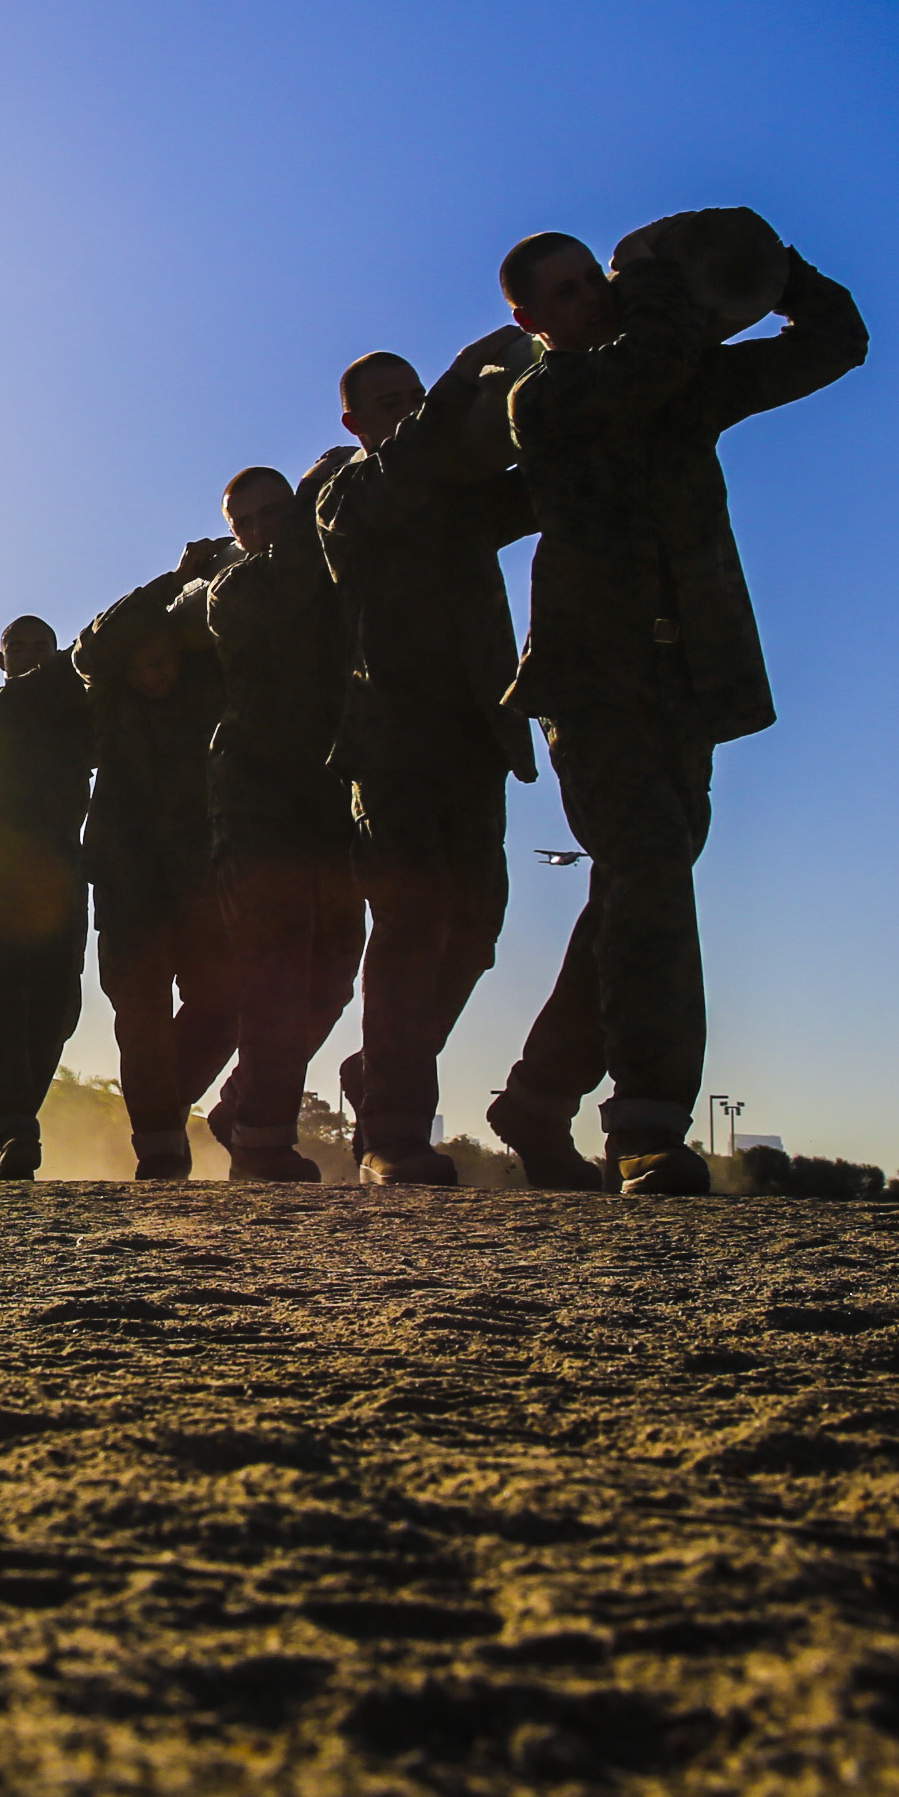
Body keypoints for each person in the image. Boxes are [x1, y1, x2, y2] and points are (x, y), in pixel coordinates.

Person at [485, 213, 868, 1194]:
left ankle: (536, 1098)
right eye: (565, 291)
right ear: (531, 319)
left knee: (633, 886)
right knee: (649, 866)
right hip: (593, 680)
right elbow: (647, 366)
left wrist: (775, 272)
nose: (590, 297)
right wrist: (653, 281)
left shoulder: (678, 383)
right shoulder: (550, 395)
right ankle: (648, 1126)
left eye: (593, 280)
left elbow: (837, 343)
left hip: (687, 679)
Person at [316, 337, 542, 1186]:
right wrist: (453, 385)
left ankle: (380, 1077)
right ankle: (394, 1132)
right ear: (354, 424)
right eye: (391, 403)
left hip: (477, 737)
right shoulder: (348, 495)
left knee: (474, 931)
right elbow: (404, 469)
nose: (409, 410)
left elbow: (539, 482)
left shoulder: (460, 498)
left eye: (415, 395)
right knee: (410, 926)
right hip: (393, 744)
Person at [201, 466, 365, 1183]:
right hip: (256, 801)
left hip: (331, 795)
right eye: (249, 522)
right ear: (234, 532)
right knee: (277, 967)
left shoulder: (330, 570)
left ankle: (240, 1103)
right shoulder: (237, 588)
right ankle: (262, 1138)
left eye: (277, 514)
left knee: (331, 975)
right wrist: (317, 498)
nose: (264, 529)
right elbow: (295, 572)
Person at [74, 548, 235, 1177]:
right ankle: (160, 1145)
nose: (152, 676)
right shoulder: (109, 695)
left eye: (162, 662)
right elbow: (94, 649)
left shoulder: (208, 677)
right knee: (141, 1011)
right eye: (139, 666)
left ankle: (164, 1105)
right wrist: (176, 578)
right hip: (125, 875)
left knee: (224, 1001)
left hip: (201, 870)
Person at [0, 616, 96, 1179]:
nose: (33, 656)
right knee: (3, 1007)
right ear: (1, 657)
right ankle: (11, 1125)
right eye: (21, 648)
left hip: (59, 880)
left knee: (57, 1014)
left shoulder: (71, 716)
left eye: (45, 648)